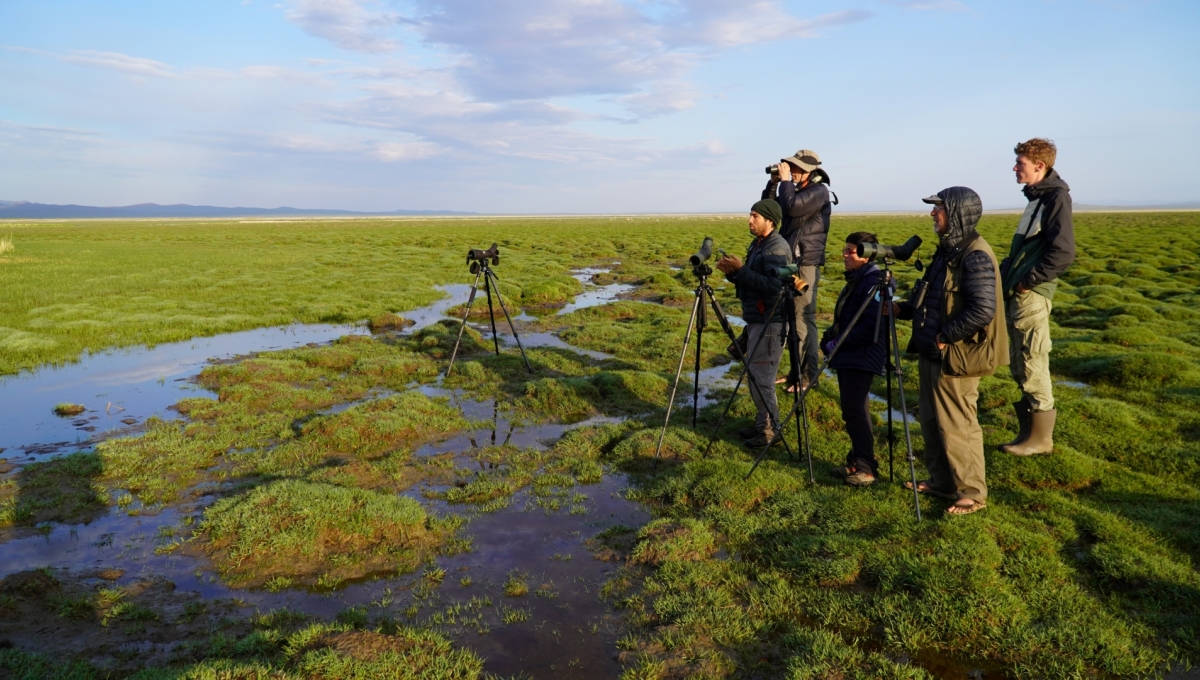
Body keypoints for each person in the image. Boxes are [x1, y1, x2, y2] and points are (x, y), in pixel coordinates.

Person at [891, 187, 1007, 515]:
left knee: (957, 423)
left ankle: (971, 491)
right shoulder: (948, 251)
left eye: (938, 208)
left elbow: (982, 309)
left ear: (956, 213)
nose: (932, 214)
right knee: (931, 419)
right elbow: (933, 297)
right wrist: (904, 310)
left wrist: (945, 336)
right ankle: (943, 482)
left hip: (956, 356)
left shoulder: (975, 254)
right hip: (933, 351)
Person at [999, 138, 1075, 456]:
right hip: (1021, 294)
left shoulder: (1055, 198)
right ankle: (1029, 435)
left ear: (1039, 166)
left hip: (1032, 295)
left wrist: (1026, 283)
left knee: (1032, 362)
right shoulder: (1037, 198)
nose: (1015, 168)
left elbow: (1064, 252)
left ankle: (1041, 440)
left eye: (1021, 163)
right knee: (1019, 363)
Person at [716, 199, 794, 448]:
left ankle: (771, 431)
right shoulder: (759, 244)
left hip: (771, 322)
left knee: (762, 378)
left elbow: (774, 286)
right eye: (750, 215)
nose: (749, 220)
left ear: (770, 220)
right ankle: (763, 425)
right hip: (759, 320)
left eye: (755, 216)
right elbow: (752, 280)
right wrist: (733, 273)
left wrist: (741, 270)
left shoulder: (776, 248)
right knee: (756, 377)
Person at [821, 232, 889, 487]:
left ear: (867, 254)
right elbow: (846, 319)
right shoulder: (857, 280)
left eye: (851, 251)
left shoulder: (874, 283)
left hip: (861, 354)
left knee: (856, 411)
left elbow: (871, 326)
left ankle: (865, 468)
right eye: (845, 249)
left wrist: (837, 343)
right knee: (853, 410)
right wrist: (830, 337)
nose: (845, 255)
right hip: (850, 353)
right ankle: (857, 461)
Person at [763, 149, 832, 393]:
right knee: (792, 322)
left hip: (805, 264)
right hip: (793, 260)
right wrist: (774, 186)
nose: (790, 170)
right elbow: (771, 209)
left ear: (809, 170)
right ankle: (796, 373)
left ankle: (807, 377)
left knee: (802, 321)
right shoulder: (798, 189)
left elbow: (791, 208)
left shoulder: (819, 190)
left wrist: (784, 183)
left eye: (795, 167)